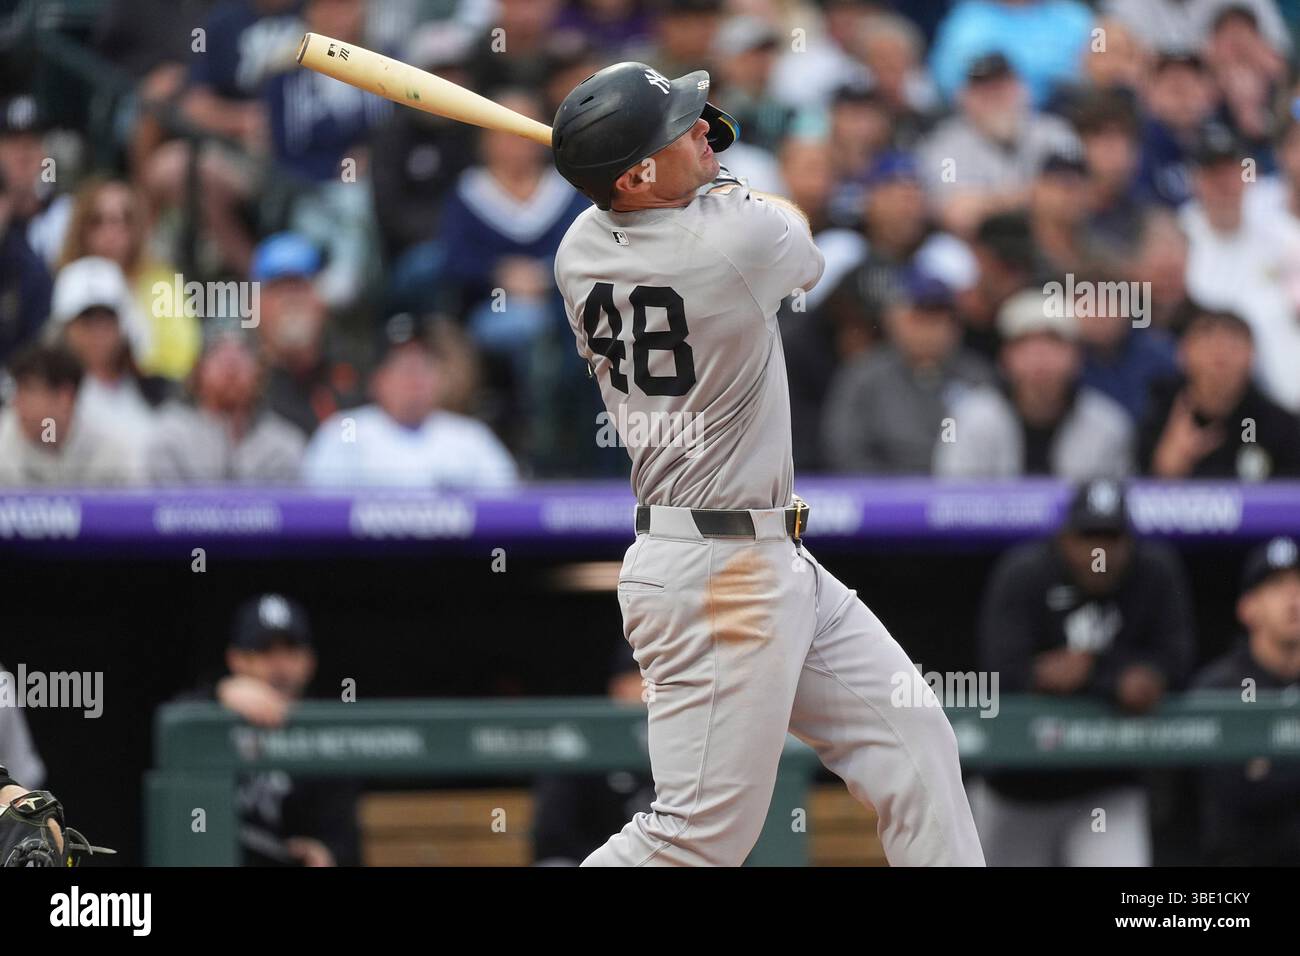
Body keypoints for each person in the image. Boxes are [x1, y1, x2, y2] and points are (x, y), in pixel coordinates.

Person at [551, 61, 985, 866]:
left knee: (915, 742)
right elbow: (798, 238)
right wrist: (719, 181)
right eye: (680, 128)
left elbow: (668, 201)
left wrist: (680, 169)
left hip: (760, 555)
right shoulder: (734, 244)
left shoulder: (576, 250)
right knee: (697, 837)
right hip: (719, 575)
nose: (704, 128)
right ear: (637, 174)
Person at [971, 479, 1195, 866]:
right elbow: (1000, 673)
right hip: (1016, 789)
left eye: (1111, 538)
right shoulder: (1024, 573)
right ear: (1063, 538)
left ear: (1130, 542)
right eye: (1088, 537)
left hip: (1107, 785)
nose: (1100, 552)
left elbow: (1178, 662)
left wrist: (1090, 672)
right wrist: (1111, 679)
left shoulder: (1154, 572)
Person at [173, 594, 360, 867]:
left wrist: (326, 853)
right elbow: (177, 723)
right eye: (265, 651)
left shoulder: (327, 735)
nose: (280, 665)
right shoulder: (209, 712)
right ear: (236, 660)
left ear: (309, 661)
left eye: (290, 650)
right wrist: (220, 691)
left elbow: (342, 838)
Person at [934, 287, 1135, 478]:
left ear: (1077, 356)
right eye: (1026, 343)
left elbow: (1112, 504)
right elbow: (954, 500)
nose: (1040, 356)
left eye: (1054, 342)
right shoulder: (969, 417)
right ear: (1005, 357)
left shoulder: (1108, 424)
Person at [301, 312, 519, 488]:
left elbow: (506, 511)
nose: (416, 379)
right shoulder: (342, 433)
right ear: (378, 379)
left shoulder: (470, 437)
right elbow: (318, 516)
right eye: (404, 368)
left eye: (424, 366)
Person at [1192, 536, 1300, 866]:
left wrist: (1271, 766)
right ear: (1247, 608)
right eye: (1277, 585)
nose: (1293, 596)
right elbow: (1240, 792)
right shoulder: (1219, 687)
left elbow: (1263, 779)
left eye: (1298, 583)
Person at [822, 269, 993, 473]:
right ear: (893, 320)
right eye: (919, 318)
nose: (930, 330)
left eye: (939, 319)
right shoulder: (864, 377)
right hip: (882, 497)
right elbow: (844, 449)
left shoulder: (977, 377)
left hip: (957, 498)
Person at [1180, 123, 1300, 413]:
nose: (1224, 183)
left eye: (1231, 172)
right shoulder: (1180, 235)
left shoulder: (1281, 235)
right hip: (1215, 397)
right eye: (1212, 174)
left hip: (1285, 398)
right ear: (1196, 180)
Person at [918, 52, 1080, 236]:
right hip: (985, 247)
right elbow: (957, 215)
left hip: (1051, 240)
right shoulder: (945, 150)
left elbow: (1080, 195)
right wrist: (1034, 195)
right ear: (963, 97)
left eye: (1002, 86)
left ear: (1022, 89)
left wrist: (988, 202)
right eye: (984, 89)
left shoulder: (1054, 132)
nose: (995, 95)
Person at [1139, 305, 1300, 480]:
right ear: (1182, 352)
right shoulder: (1155, 410)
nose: (1220, 351)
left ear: (1252, 355)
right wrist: (1165, 468)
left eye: (1232, 341)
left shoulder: (1281, 426)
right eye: (1208, 338)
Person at [145, 322, 306, 484]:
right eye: (218, 352)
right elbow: (167, 506)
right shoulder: (169, 437)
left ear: (260, 370)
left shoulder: (283, 444)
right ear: (198, 368)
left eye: (243, 354)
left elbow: (281, 507)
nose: (231, 366)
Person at [250, 233, 364, 437]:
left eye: (300, 288)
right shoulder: (243, 383)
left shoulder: (353, 373)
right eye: (279, 290)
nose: (291, 302)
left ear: (320, 301)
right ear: (256, 305)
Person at [47, 256, 162, 454]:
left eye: (107, 319)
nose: (98, 333)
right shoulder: (50, 397)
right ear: (65, 328)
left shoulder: (156, 392)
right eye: (87, 320)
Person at [0, 343, 142, 486]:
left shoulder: (110, 449)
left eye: (28, 391)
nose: (16, 403)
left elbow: (133, 505)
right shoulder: (4, 441)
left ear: (64, 397)